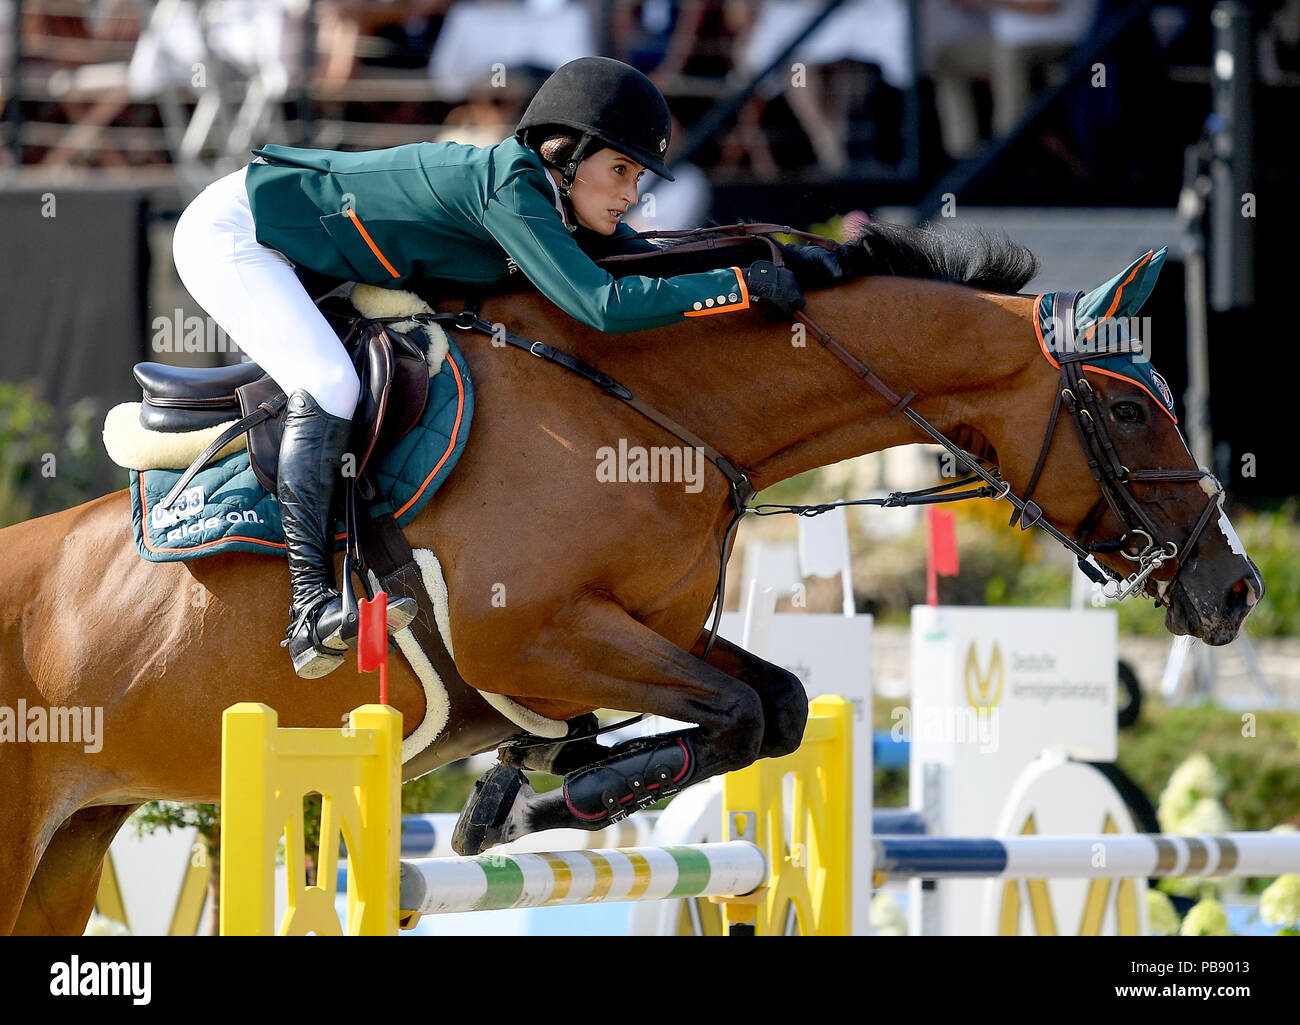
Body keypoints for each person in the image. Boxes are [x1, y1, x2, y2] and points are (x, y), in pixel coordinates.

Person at [170, 56, 807, 680]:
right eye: (619, 170)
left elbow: (640, 261)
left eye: (638, 177)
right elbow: (605, 305)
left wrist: (791, 269)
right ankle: (309, 607)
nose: (630, 195)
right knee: (330, 382)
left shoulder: (549, 195)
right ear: (564, 153)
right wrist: (741, 288)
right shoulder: (511, 188)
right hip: (237, 234)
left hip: (300, 248)